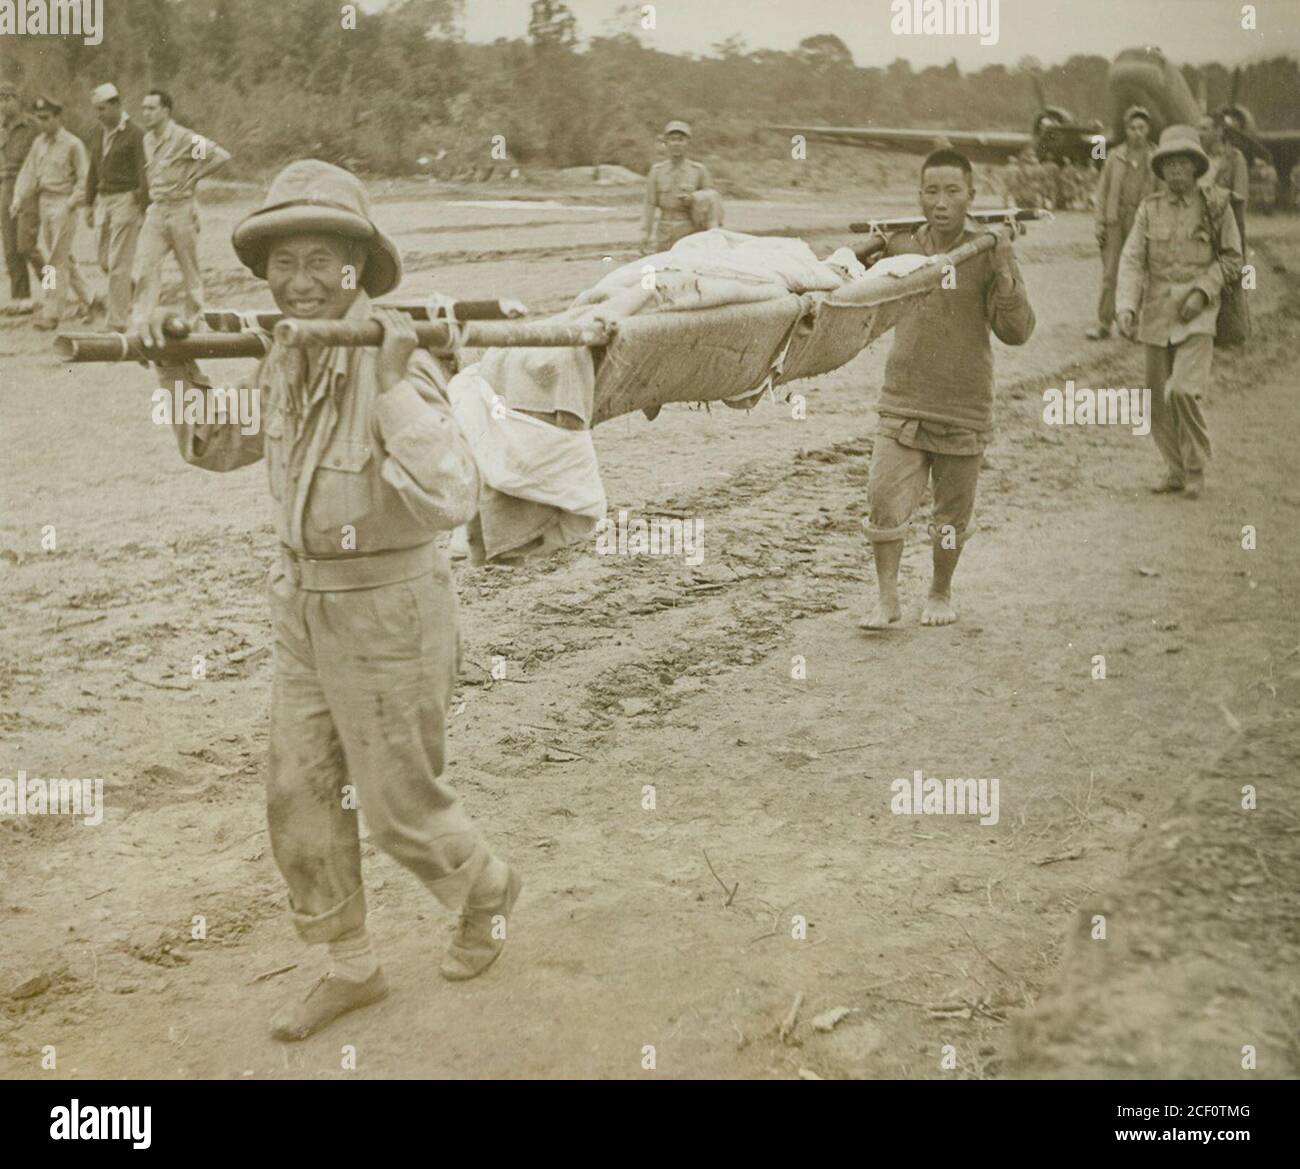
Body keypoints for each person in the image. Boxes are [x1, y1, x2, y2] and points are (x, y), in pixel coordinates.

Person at [139, 159, 521, 1041]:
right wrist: (179, 370)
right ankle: (350, 965)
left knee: (397, 804)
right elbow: (220, 445)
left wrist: (390, 384)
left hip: (390, 608)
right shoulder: (284, 352)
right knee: (298, 793)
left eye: (322, 262)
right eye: (284, 263)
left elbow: (453, 496)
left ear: (357, 268)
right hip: (301, 608)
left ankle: (485, 889)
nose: (301, 282)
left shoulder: (403, 361)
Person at [860, 149, 1035, 630]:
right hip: (902, 398)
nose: (941, 202)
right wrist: (865, 249)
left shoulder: (987, 249)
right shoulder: (902, 249)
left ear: (972, 197)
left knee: (951, 519)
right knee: (882, 498)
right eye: (931, 191)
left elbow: (1018, 331)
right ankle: (887, 599)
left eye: (952, 191)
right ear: (918, 196)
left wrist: (1002, 264)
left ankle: (940, 590)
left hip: (964, 405)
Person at [1117, 125, 1243, 501]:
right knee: (1156, 398)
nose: (1175, 171)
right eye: (1168, 164)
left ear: (1195, 167)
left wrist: (1203, 292)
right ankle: (1174, 468)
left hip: (1197, 314)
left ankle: (1195, 467)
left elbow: (1233, 259)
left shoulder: (1216, 206)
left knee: (1184, 391)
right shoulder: (1149, 208)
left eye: (1182, 163)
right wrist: (1125, 305)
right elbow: (1133, 259)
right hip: (1156, 313)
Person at [133, 89, 230, 326]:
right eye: (143, 108)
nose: (145, 113)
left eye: (151, 108)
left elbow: (219, 156)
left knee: (189, 269)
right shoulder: (148, 140)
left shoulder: (184, 138)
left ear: (165, 111)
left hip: (181, 210)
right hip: (157, 210)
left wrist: (195, 176)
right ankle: (142, 322)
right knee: (146, 267)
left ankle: (195, 320)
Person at [9, 96, 91, 331]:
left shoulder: (73, 144)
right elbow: (28, 173)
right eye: (39, 119)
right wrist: (18, 198)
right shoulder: (39, 144)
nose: (43, 123)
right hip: (45, 202)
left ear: (57, 118)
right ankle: (92, 299)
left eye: (46, 118)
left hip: (64, 203)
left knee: (55, 259)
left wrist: (73, 202)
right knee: (63, 257)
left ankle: (52, 312)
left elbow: (84, 179)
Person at [1087, 105, 1154, 340]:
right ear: (1126, 130)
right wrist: (1100, 223)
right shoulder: (1114, 157)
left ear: (1148, 130)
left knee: (1138, 273)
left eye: (1142, 128)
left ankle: (1132, 326)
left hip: (1142, 222)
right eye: (1133, 128)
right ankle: (1103, 323)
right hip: (1115, 220)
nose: (1137, 132)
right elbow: (1102, 192)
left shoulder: (1154, 159)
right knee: (1110, 273)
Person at [85, 82, 148, 331]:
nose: (98, 114)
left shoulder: (136, 134)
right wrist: (88, 204)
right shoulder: (99, 134)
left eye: (102, 109)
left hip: (126, 200)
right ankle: (133, 291)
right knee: (104, 261)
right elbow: (93, 169)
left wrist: (142, 202)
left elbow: (144, 170)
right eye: (95, 110)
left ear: (116, 105)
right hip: (105, 200)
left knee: (119, 263)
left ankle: (117, 320)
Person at [641, 120, 712, 253]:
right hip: (664, 231)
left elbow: (711, 199)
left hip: (690, 230)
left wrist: (694, 198)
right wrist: (645, 232)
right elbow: (649, 204)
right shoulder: (657, 171)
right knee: (664, 269)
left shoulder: (698, 170)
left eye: (681, 139)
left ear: (688, 143)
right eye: (672, 139)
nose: (676, 143)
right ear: (666, 143)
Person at [0, 81, 38, 316]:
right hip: (5, 188)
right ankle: (20, 297)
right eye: (0, 98)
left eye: (8, 98)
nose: (4, 103)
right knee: (11, 248)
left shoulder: (32, 126)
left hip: (28, 189)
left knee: (30, 247)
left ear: (18, 98)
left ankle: (52, 289)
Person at [1198, 112, 1248, 245]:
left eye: (1204, 129)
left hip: (1224, 230)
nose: (1199, 133)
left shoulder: (1235, 159)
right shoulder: (1197, 159)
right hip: (1198, 231)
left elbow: (1239, 200)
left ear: (1218, 131)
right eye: (1198, 129)